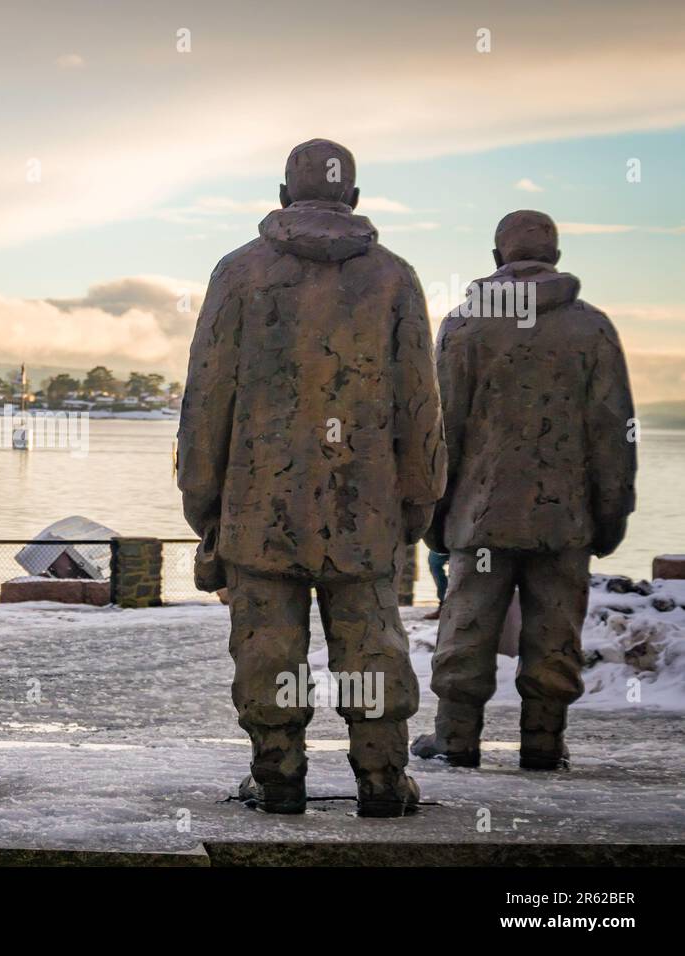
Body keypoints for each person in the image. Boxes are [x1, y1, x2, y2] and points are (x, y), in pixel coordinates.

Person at [178, 139, 446, 817]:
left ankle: (278, 776)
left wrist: (204, 501)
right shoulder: (395, 278)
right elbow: (420, 405)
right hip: (368, 505)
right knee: (374, 641)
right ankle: (383, 777)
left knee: (268, 646)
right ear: (354, 199)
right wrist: (418, 501)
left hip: (259, 503)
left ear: (282, 196)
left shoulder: (237, 273)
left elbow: (208, 398)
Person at [413, 211, 636, 770]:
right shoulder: (592, 329)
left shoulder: (464, 326)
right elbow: (612, 432)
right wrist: (610, 516)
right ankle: (543, 740)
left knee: (467, 623)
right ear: (555, 257)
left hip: (479, 514)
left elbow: (441, 432)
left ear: (496, 261)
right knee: (556, 630)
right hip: (565, 519)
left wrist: (435, 516)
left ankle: (456, 738)